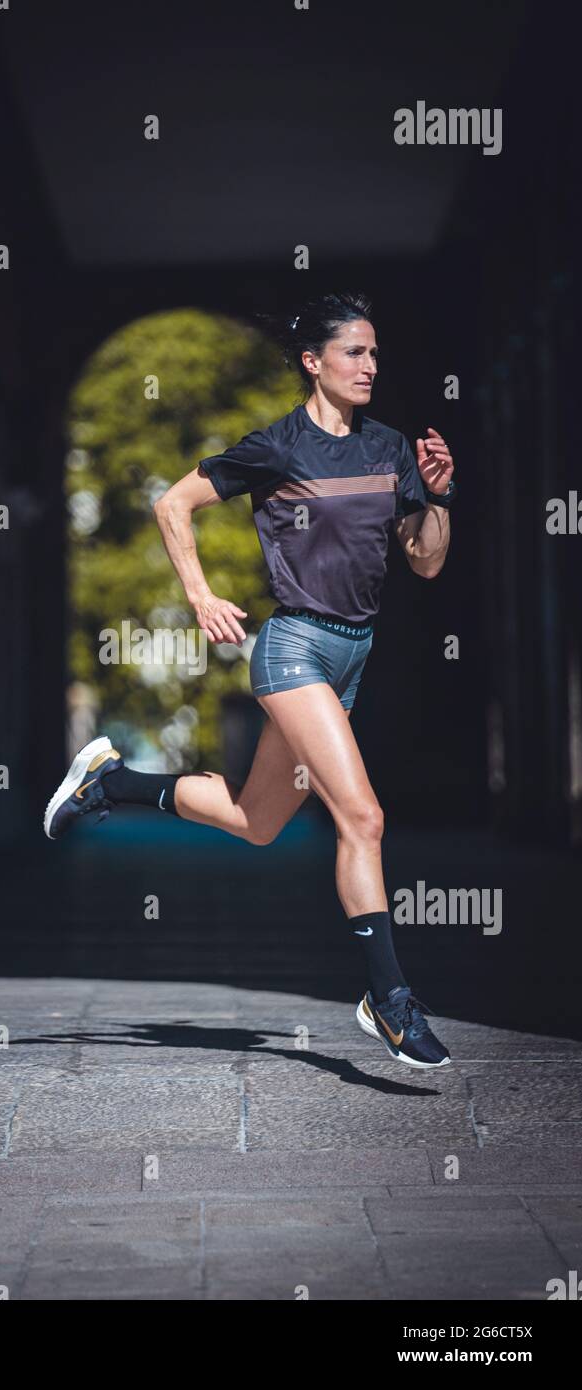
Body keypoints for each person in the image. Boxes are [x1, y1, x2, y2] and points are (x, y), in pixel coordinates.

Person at [44, 292, 457, 1070]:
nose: (370, 366)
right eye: (353, 354)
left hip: (351, 655)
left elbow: (427, 560)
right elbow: (174, 502)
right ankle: (388, 998)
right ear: (314, 362)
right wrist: (199, 596)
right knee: (361, 819)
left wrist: (436, 491)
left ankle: (111, 783)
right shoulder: (275, 448)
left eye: (375, 354)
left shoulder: (393, 448)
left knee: (257, 821)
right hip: (293, 647)